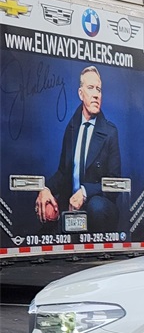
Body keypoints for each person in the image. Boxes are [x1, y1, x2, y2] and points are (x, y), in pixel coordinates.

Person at [35, 66, 120, 232]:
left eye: (99, 89)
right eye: (90, 88)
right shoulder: (72, 128)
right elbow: (63, 172)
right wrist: (45, 189)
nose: (96, 94)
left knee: (96, 207)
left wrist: (85, 192)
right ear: (81, 94)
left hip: (100, 206)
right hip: (70, 204)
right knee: (45, 208)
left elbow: (115, 183)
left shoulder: (110, 132)